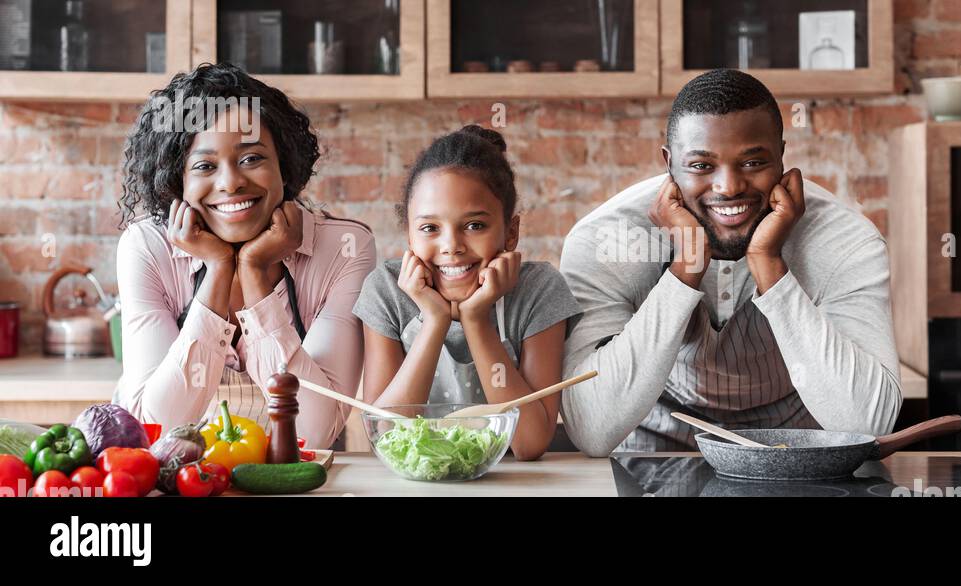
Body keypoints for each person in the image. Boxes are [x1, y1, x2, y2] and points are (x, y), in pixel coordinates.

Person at [559, 69, 902, 455]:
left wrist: (768, 264)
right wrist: (685, 268)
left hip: (795, 457)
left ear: (781, 156)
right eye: (702, 166)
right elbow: (591, 428)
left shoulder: (844, 240)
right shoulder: (607, 239)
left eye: (753, 163)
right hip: (653, 454)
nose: (729, 187)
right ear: (669, 165)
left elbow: (867, 424)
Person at [114, 63, 376, 448]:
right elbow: (156, 431)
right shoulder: (148, 249)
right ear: (177, 181)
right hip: (181, 482)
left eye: (252, 158)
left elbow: (313, 433)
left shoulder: (343, 249)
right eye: (204, 166)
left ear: (284, 167)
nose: (231, 182)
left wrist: (253, 274)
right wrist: (220, 270)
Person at [352, 126, 582, 461]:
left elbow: (530, 443)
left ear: (511, 232)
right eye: (430, 228)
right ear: (409, 237)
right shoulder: (386, 290)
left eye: (474, 226)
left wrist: (475, 319)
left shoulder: (539, 291)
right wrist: (434, 321)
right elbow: (385, 438)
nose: (452, 247)